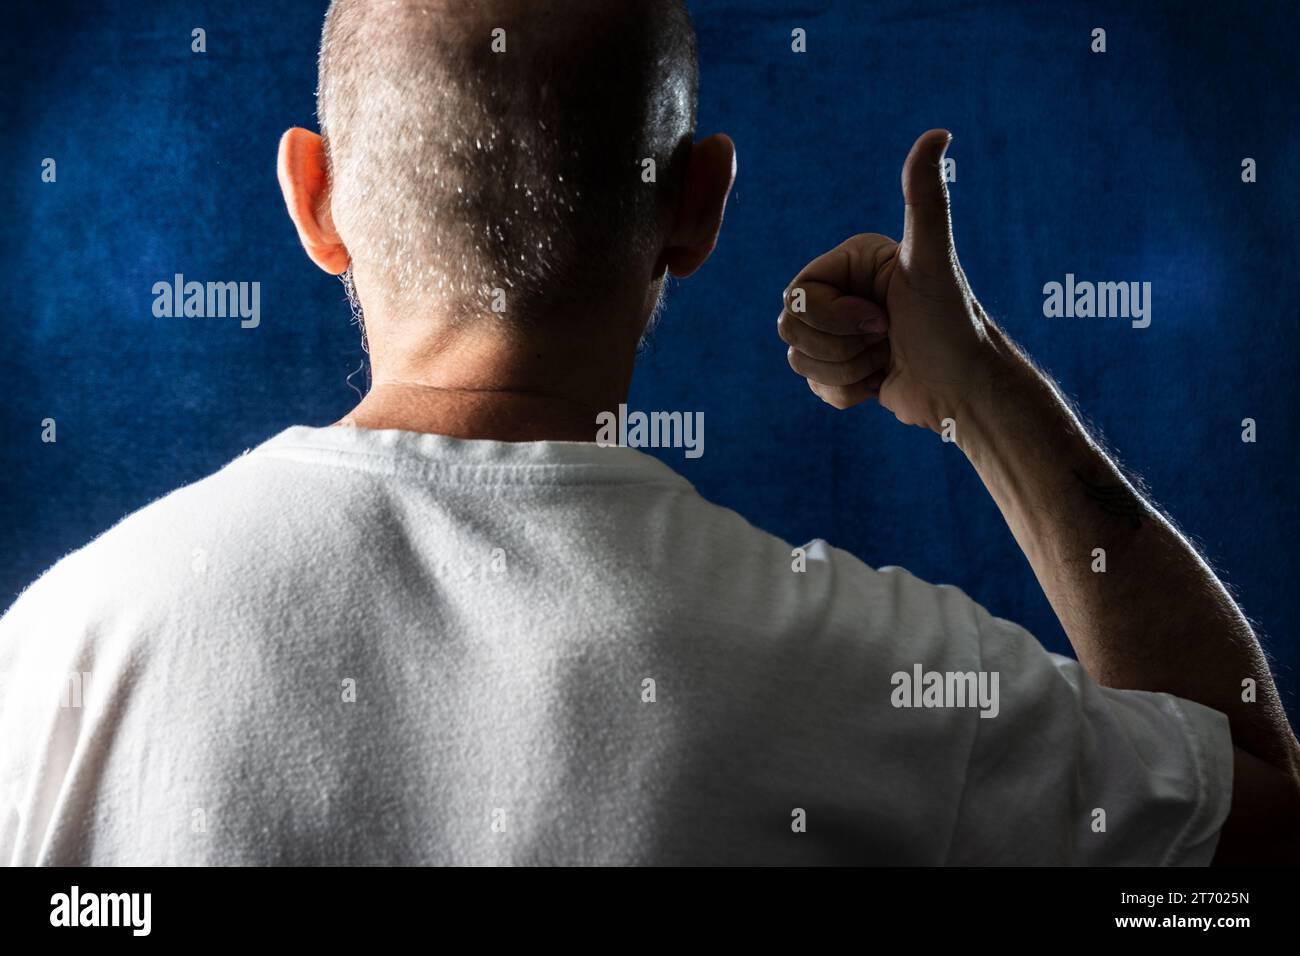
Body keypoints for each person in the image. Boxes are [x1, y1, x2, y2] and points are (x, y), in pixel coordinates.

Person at [1, 0, 1295, 865]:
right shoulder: (873, 677)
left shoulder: (59, 654)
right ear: (699, 204)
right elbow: (1256, 813)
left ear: (312, 197)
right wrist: (983, 393)